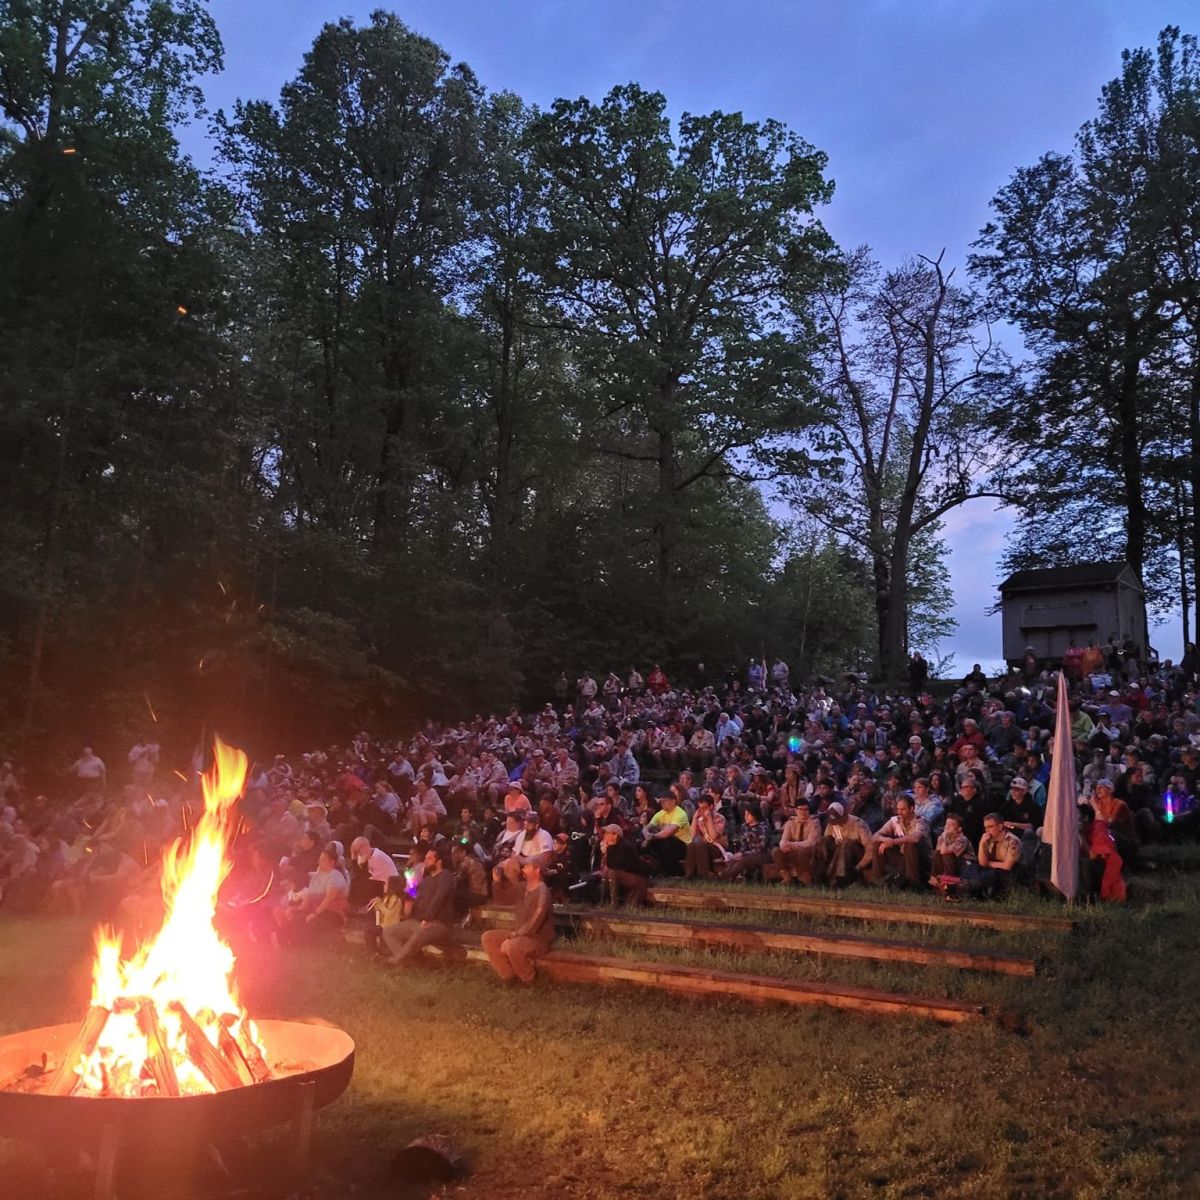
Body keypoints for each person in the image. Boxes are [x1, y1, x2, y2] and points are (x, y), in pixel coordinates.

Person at [480, 860, 555, 985]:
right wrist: (497, 881)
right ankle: (508, 976)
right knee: (488, 938)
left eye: (528, 865)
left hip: (537, 939)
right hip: (519, 934)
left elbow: (535, 921)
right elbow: (502, 899)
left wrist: (515, 935)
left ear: (537, 870)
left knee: (511, 946)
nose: (524, 867)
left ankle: (528, 979)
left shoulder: (542, 892)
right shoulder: (522, 887)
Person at [383, 848, 457, 964]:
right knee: (389, 932)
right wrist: (408, 897)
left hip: (439, 923)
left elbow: (439, 898)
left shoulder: (446, 876)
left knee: (420, 933)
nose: (426, 861)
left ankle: (394, 961)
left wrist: (428, 918)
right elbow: (416, 898)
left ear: (439, 861)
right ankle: (408, 961)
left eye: (430, 858)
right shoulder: (426, 880)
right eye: (426, 858)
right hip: (419, 921)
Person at [869, 795, 931, 887]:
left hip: (920, 858)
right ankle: (878, 880)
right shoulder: (895, 820)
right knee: (878, 844)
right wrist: (886, 840)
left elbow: (916, 838)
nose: (899, 812)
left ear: (911, 808)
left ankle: (912, 883)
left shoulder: (921, 821)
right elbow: (876, 835)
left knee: (910, 845)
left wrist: (893, 842)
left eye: (903, 809)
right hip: (901, 856)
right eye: (898, 809)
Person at [820, 802, 875, 887]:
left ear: (844, 815)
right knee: (824, 841)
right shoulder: (832, 825)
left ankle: (842, 878)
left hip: (855, 859)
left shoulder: (858, 825)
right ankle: (822, 875)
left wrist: (859, 866)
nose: (836, 823)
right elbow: (826, 841)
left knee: (848, 844)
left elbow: (870, 849)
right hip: (837, 855)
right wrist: (835, 841)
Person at [771, 799, 822, 886]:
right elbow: (783, 840)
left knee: (802, 851)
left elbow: (811, 843)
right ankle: (787, 878)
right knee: (776, 851)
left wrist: (792, 844)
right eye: (800, 809)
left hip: (809, 851)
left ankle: (805, 879)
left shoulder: (814, 823)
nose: (803, 812)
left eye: (806, 809)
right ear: (796, 810)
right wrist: (784, 845)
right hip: (793, 850)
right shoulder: (790, 823)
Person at [973, 812, 1023, 898]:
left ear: (1000, 826)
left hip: (1010, 873)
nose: (987, 831)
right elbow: (982, 863)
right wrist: (981, 844)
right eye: (985, 828)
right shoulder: (988, 839)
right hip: (994, 869)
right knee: (972, 868)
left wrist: (988, 863)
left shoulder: (1013, 841)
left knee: (989, 875)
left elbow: (1007, 866)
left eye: (990, 827)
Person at [598, 824, 650, 906]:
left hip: (638, 877)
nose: (604, 836)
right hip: (626, 874)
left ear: (615, 835)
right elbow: (609, 864)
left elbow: (616, 865)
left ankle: (614, 903)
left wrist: (609, 849)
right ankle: (604, 901)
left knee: (612, 872)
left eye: (607, 833)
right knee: (606, 870)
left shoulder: (624, 846)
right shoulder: (614, 846)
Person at [642, 792, 693, 875]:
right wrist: (647, 835)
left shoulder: (680, 813)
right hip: (666, 843)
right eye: (661, 801)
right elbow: (647, 827)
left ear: (673, 801)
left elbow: (668, 832)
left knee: (668, 840)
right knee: (640, 843)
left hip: (683, 846)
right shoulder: (661, 813)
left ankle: (668, 872)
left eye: (665, 801)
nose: (662, 803)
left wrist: (651, 837)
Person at [683, 792, 727, 878]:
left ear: (711, 807)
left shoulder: (719, 818)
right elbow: (691, 836)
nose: (702, 811)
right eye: (700, 809)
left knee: (700, 844)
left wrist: (709, 819)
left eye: (704, 808)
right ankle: (689, 873)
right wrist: (695, 819)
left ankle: (703, 873)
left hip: (718, 847)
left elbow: (714, 836)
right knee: (692, 844)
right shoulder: (700, 819)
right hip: (703, 846)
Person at [930, 813, 972, 882]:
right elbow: (939, 852)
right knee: (936, 853)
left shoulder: (962, 839)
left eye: (951, 825)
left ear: (959, 829)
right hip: (949, 863)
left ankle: (948, 883)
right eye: (946, 824)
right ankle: (935, 881)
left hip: (964, 865)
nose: (947, 827)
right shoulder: (942, 837)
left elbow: (944, 852)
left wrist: (945, 836)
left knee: (947, 855)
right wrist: (945, 837)